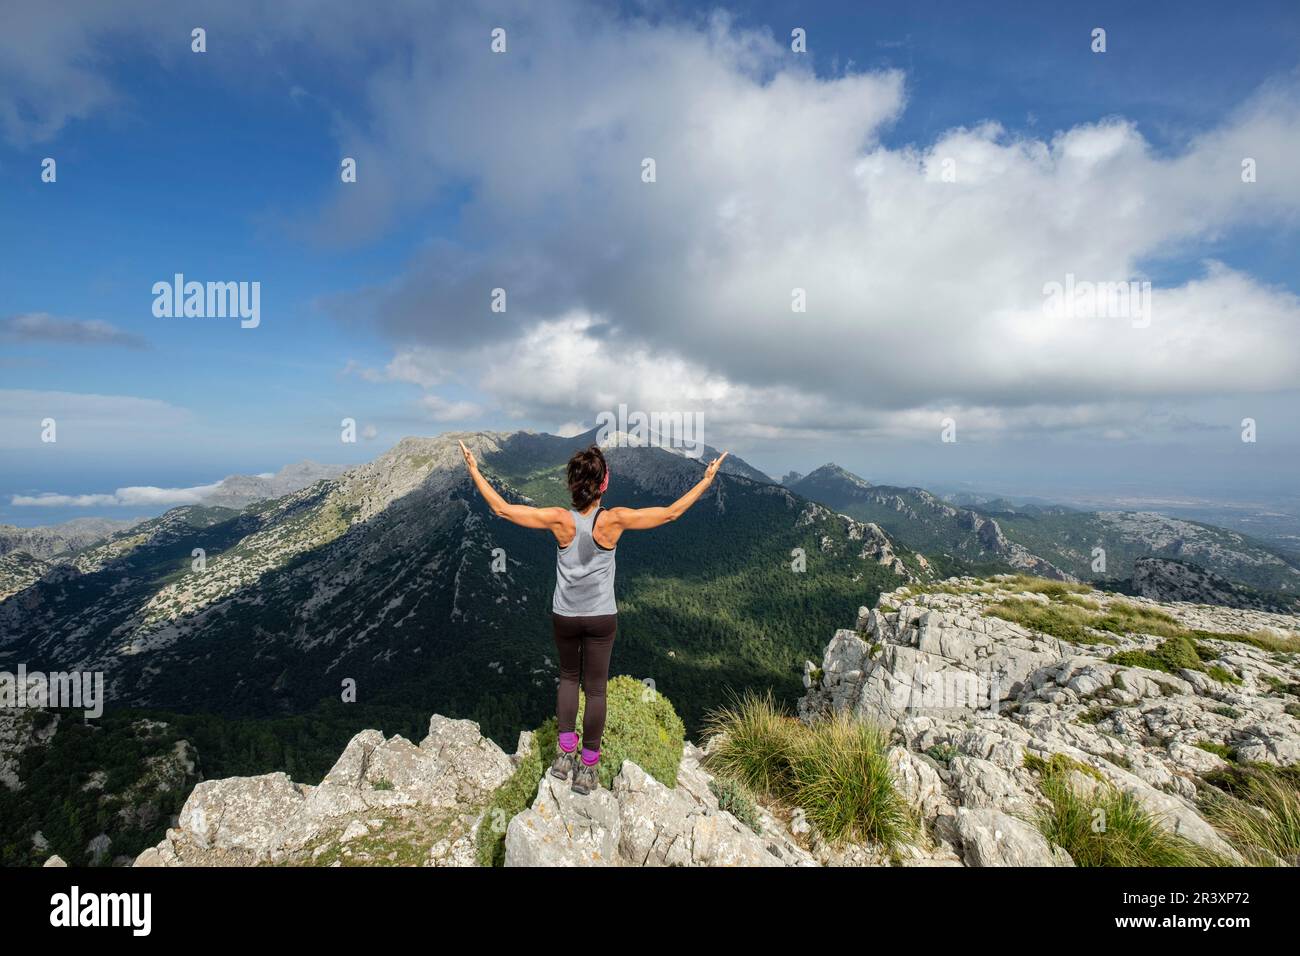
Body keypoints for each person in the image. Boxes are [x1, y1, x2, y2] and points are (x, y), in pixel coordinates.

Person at [458, 439, 727, 794]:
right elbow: (670, 513)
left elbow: (504, 510)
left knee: (569, 679)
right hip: (601, 617)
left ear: (572, 485)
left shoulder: (559, 519)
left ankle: (563, 756)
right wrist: (707, 480)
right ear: (604, 484)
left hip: (565, 615)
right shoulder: (613, 521)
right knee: (596, 690)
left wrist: (474, 469)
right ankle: (588, 767)